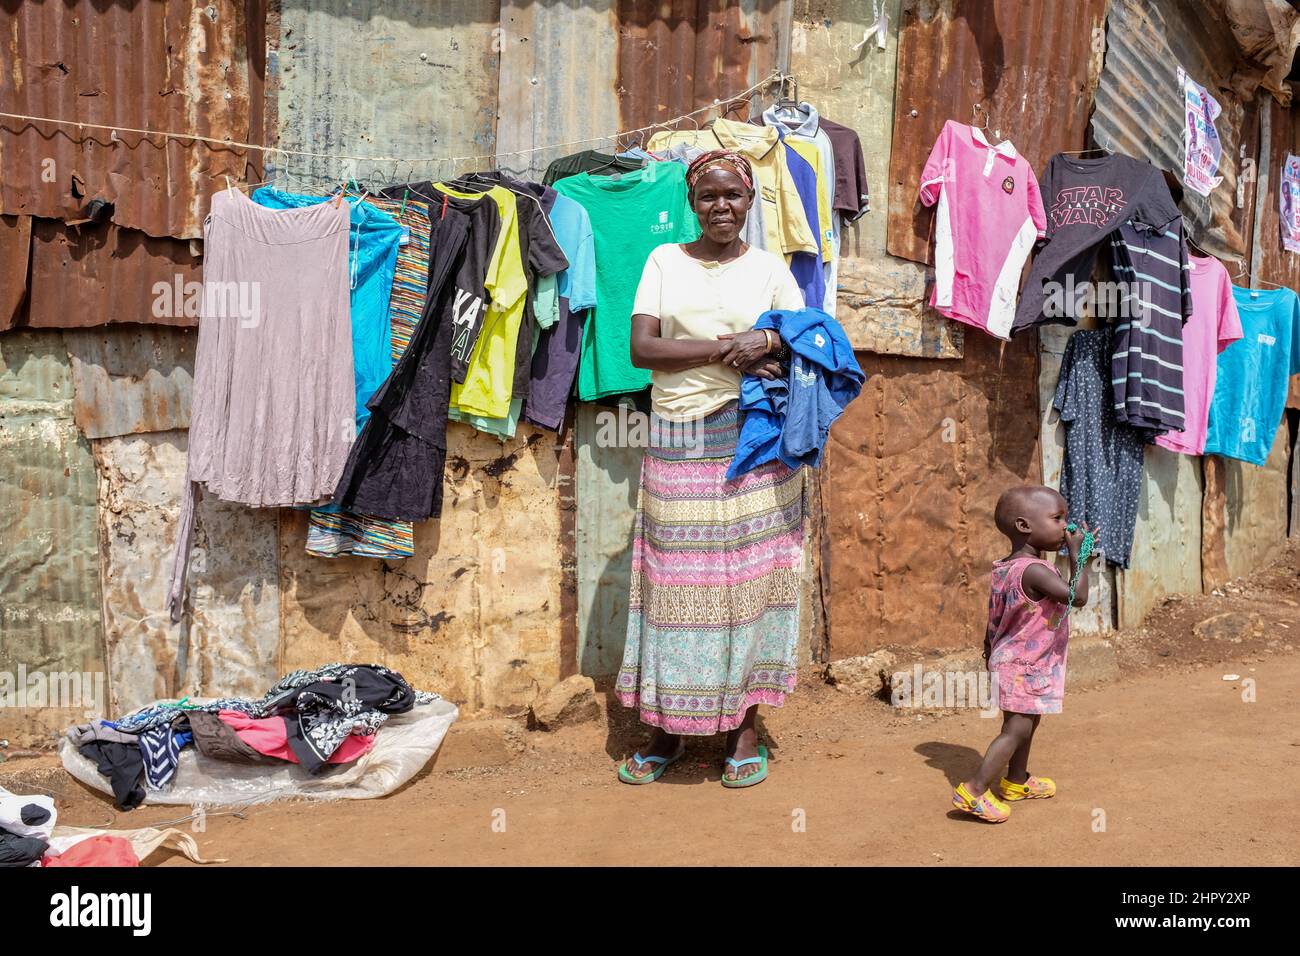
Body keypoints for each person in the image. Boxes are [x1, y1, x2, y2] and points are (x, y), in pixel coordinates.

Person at [615, 149, 807, 788]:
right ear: (693, 203)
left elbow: (804, 335)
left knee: (752, 580)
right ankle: (667, 729)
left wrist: (774, 340)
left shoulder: (772, 269)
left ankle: (745, 728)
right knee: (676, 584)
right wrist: (732, 349)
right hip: (679, 437)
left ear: (750, 201)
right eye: (709, 197)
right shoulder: (664, 262)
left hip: (757, 439)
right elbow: (644, 349)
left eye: (734, 196)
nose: (721, 207)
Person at [952, 485, 1099, 822]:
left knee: (1028, 723)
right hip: (1025, 666)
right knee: (1016, 730)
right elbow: (1078, 598)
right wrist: (1080, 555)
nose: (1066, 526)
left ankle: (1016, 781)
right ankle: (973, 790)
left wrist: (989, 650)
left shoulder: (1006, 567)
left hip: (1016, 662)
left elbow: (995, 616)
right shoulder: (1035, 570)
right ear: (1024, 526)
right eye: (1057, 518)